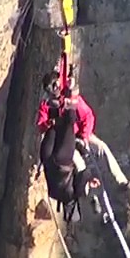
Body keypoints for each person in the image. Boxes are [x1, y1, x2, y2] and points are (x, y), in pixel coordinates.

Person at [34, 67, 130, 191]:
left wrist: (84, 136)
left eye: (55, 85)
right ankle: (89, 196)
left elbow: (87, 115)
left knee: (102, 148)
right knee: (78, 163)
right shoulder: (46, 106)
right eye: (50, 88)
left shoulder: (69, 98)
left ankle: (121, 181)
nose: (54, 90)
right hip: (64, 142)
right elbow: (40, 126)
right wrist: (50, 122)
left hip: (79, 134)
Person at [38, 87, 102, 222]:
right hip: (47, 158)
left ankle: (70, 96)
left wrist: (90, 178)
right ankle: (59, 100)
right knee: (56, 126)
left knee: (68, 124)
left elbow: (83, 174)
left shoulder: (75, 194)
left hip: (62, 160)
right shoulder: (54, 194)